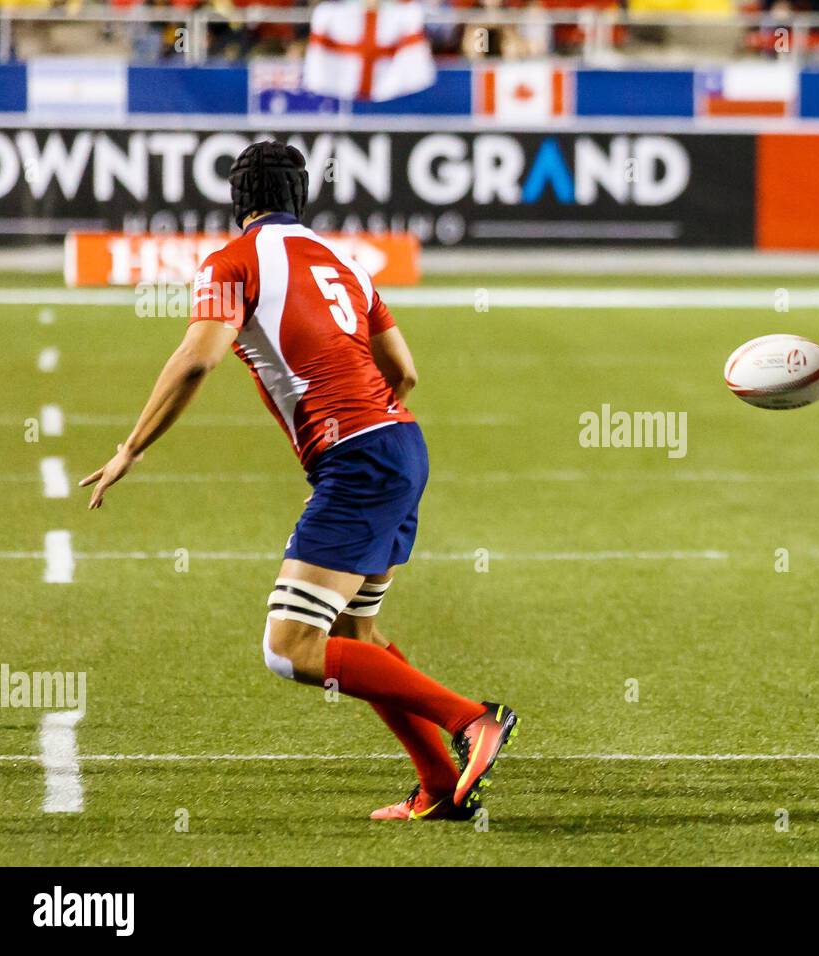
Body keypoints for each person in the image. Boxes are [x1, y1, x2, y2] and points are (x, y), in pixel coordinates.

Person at [80, 140, 518, 819]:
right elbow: (404, 372)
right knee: (353, 637)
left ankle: (469, 720)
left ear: (238, 200)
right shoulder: (345, 262)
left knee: (289, 649)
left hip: (360, 463)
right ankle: (437, 785)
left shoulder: (234, 261)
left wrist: (131, 447)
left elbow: (199, 359)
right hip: (401, 446)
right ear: (301, 196)